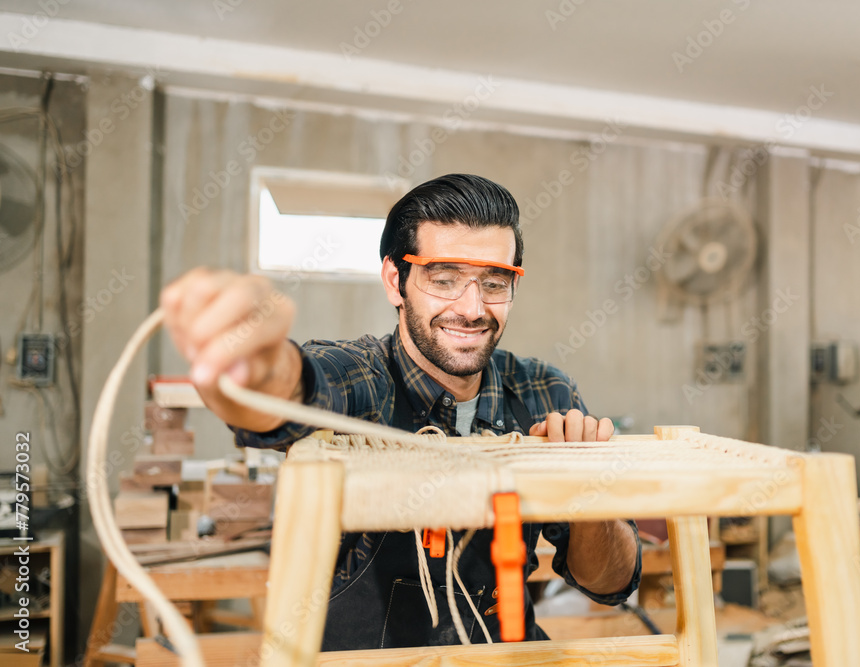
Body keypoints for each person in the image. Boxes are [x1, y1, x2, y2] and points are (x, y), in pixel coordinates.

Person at [160, 173, 641, 649]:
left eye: (495, 282)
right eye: (445, 280)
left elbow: (611, 583)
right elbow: (279, 396)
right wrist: (251, 363)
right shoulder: (365, 379)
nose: (472, 308)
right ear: (396, 280)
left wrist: (589, 488)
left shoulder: (543, 392)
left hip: (503, 657)